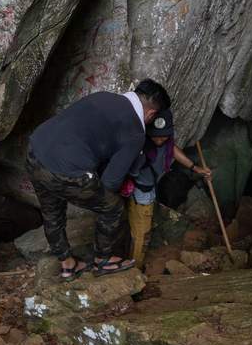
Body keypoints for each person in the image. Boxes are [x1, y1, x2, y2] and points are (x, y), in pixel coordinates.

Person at [27, 79, 172, 279]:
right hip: (67, 170)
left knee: (52, 212)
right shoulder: (135, 132)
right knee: (113, 208)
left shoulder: (103, 96)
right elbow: (111, 182)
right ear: (151, 114)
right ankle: (102, 260)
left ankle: (67, 263)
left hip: (36, 151)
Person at [123, 108, 211, 268]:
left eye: (163, 136)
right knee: (141, 233)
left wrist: (195, 168)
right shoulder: (141, 144)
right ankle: (134, 269)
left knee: (140, 230)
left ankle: (133, 264)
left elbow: (173, 149)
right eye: (156, 136)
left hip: (148, 190)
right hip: (139, 192)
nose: (160, 140)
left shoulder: (166, 142)